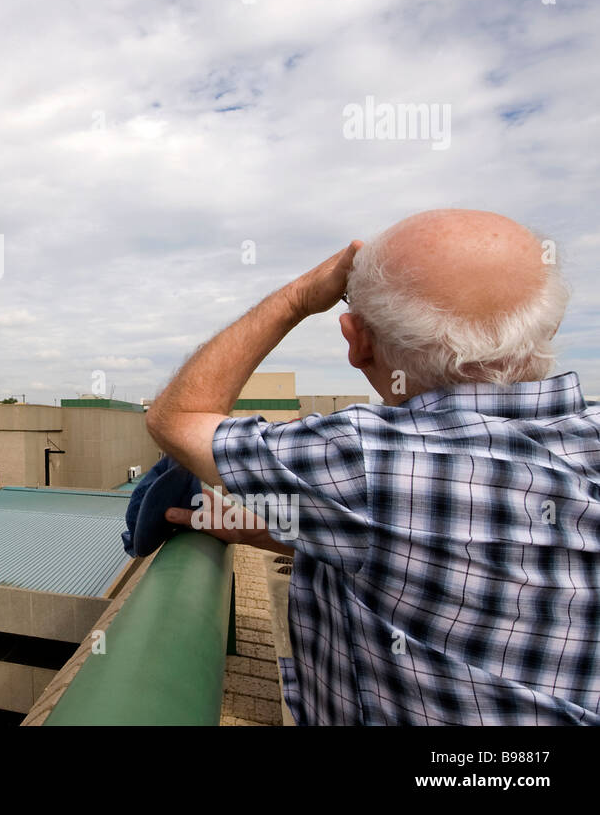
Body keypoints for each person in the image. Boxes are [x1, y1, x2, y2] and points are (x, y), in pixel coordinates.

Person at [146, 209, 600, 725]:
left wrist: (296, 299)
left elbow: (176, 418)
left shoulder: (367, 458)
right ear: (552, 326)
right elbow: (450, 546)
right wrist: (272, 528)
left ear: (356, 340)